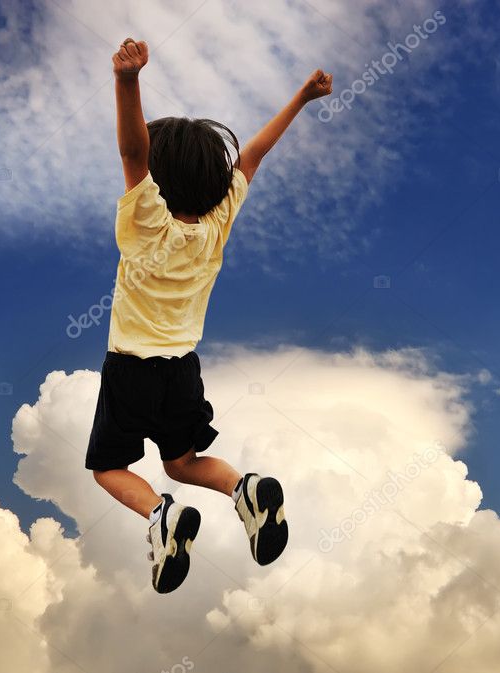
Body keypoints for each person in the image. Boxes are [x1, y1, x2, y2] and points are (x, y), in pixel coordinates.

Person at [85, 37, 333, 593]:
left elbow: (131, 153)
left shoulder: (148, 221)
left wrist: (127, 81)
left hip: (130, 368)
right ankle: (245, 488)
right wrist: (302, 97)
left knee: (109, 469)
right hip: (182, 369)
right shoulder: (217, 225)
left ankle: (159, 516)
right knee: (184, 459)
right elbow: (255, 155)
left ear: (158, 179)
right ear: (214, 184)